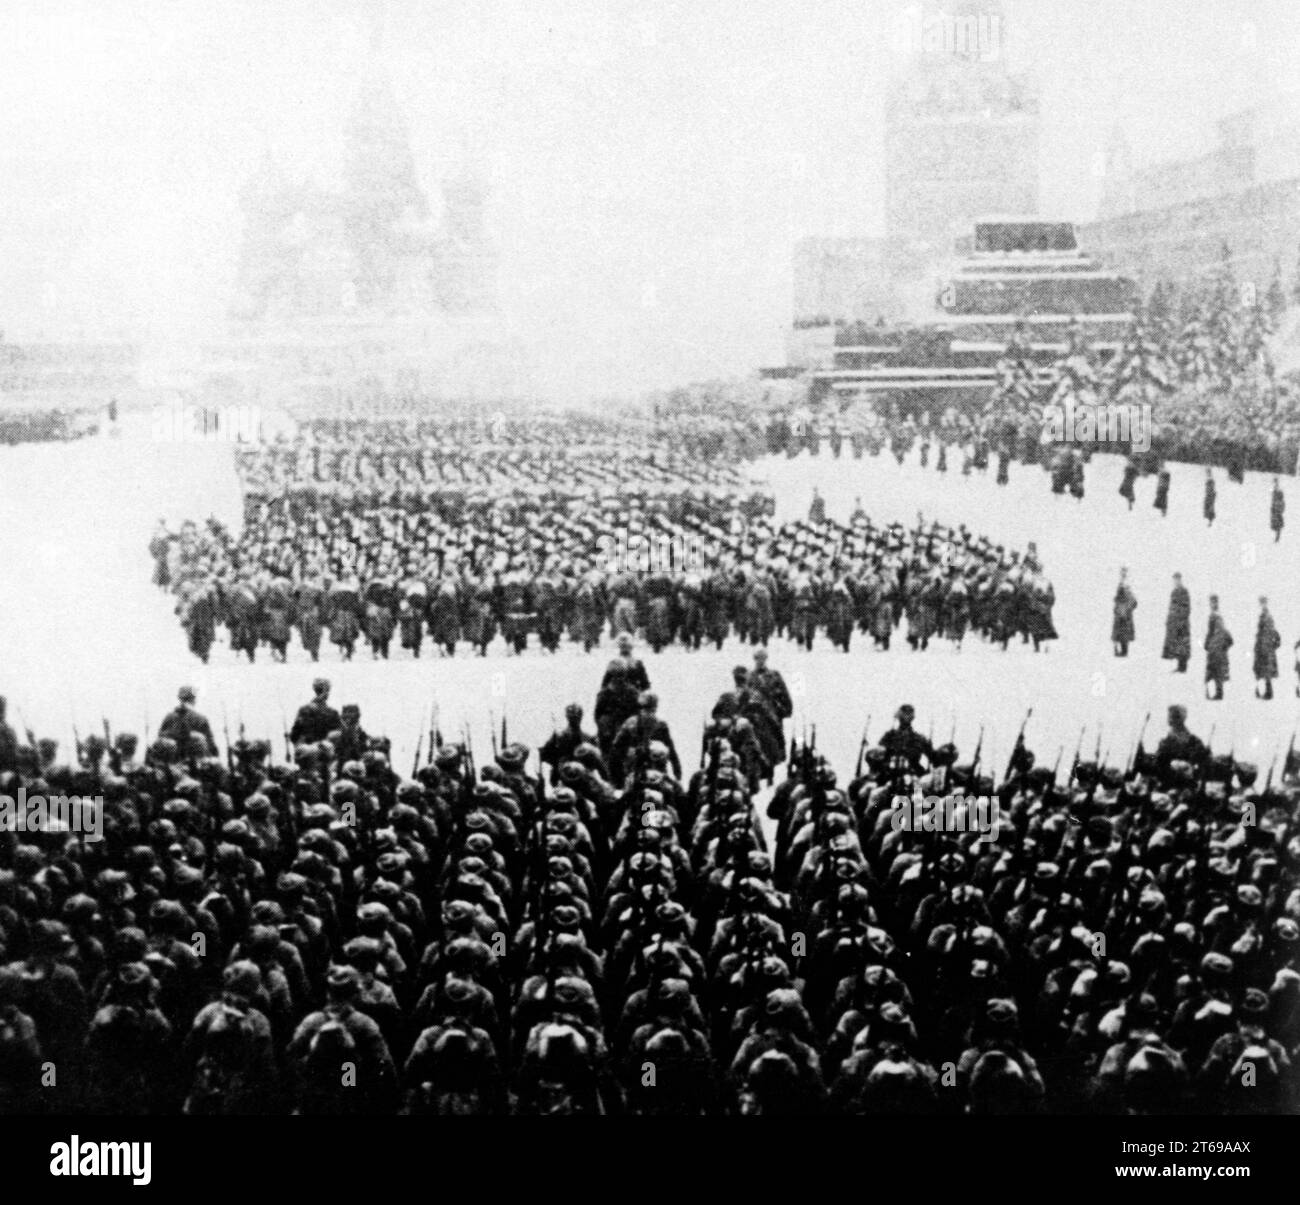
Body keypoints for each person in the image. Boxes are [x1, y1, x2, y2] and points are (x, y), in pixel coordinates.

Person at [541, 703, 601, 785]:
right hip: (563, 780)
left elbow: (597, 762)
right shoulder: (558, 737)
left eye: (577, 716)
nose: (575, 718)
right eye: (572, 716)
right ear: (567, 717)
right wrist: (558, 764)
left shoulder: (588, 739)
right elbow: (544, 755)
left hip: (584, 782)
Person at [158, 686, 216, 756]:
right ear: (193, 699)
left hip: (172, 761)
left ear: (180, 699)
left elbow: (160, 737)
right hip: (196, 762)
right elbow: (211, 745)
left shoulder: (169, 717)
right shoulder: (201, 718)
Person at [1153, 704, 1207, 775]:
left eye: (1173, 717)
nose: (1169, 719)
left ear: (1180, 719)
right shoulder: (1165, 742)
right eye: (1170, 716)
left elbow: (1201, 764)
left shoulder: (1195, 742)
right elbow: (1158, 762)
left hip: (1187, 782)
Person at [879, 704, 933, 774]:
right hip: (889, 774)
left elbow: (934, 758)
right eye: (904, 713)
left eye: (909, 713)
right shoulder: (889, 736)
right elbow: (878, 755)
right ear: (899, 716)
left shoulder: (920, 738)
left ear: (912, 717)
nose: (906, 716)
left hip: (913, 775)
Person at [290, 679, 341, 747]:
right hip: (326, 753)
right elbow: (340, 736)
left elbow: (294, 736)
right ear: (327, 692)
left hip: (308, 752)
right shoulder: (332, 713)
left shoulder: (304, 710)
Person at [1204, 595, 1233, 702]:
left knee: (1215, 671)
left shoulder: (1214, 616)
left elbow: (1210, 632)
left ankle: (1216, 694)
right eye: (1211, 602)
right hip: (1218, 648)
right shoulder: (1220, 616)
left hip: (1215, 648)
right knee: (1217, 671)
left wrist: (1207, 644)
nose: (1212, 605)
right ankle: (1217, 693)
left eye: (1213, 602)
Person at [1161, 573, 1191, 673]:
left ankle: (1183, 667)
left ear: (1180, 580)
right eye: (1174, 580)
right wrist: (1169, 620)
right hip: (1174, 623)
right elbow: (1171, 607)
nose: (1175, 582)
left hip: (1182, 623)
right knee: (1176, 645)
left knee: (1182, 645)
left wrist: (1180, 620)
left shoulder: (1184, 591)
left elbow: (1186, 608)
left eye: (1177, 580)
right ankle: (1179, 666)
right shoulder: (1174, 592)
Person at [1253, 597, 1281, 701]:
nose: (1262, 605)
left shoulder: (1267, 617)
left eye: (1263, 603)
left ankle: (1269, 693)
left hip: (1265, 648)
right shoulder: (1263, 616)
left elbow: (1268, 632)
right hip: (1263, 647)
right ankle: (1266, 692)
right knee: (1264, 671)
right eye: (1261, 603)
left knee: (1266, 671)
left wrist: (1264, 647)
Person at [1112, 568, 1137, 658]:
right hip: (1120, 613)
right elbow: (1117, 599)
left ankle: (1124, 651)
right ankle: (1120, 651)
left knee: (1125, 633)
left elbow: (1134, 602)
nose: (1123, 574)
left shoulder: (1128, 587)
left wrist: (1128, 607)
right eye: (1122, 573)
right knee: (1120, 633)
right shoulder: (1120, 585)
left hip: (1125, 614)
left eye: (1124, 573)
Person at [1270, 478, 1285, 543]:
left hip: (1277, 515)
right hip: (1276, 514)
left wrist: (1276, 511)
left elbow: (1282, 508)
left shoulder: (1280, 501)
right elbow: (1275, 491)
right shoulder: (1277, 499)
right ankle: (1277, 538)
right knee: (1277, 527)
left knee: (1278, 527)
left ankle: (1277, 539)